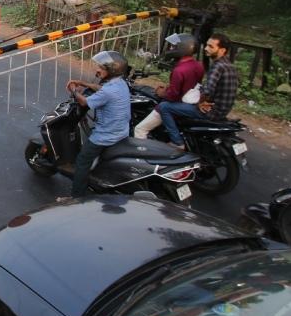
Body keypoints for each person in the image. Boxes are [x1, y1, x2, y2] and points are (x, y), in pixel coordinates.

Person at [65, 50, 131, 198]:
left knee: (82, 161)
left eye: (101, 68)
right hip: (122, 131)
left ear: (112, 70)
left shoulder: (108, 91)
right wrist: (82, 83)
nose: (97, 70)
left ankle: (76, 197)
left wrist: (74, 90)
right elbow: (101, 89)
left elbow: (84, 102)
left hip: (107, 135)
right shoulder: (120, 83)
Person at [156, 33, 239, 148]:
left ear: (222, 50)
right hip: (223, 111)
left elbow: (208, 91)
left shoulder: (217, 67)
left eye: (211, 46)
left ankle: (177, 142)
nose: (206, 48)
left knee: (164, 107)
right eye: (206, 45)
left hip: (211, 111)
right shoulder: (230, 66)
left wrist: (200, 103)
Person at [134, 32, 204, 139]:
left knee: (140, 129)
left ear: (182, 48)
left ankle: (142, 153)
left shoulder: (179, 70)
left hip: (175, 105)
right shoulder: (198, 66)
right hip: (190, 104)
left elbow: (172, 96)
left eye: (173, 46)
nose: (171, 49)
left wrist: (161, 93)